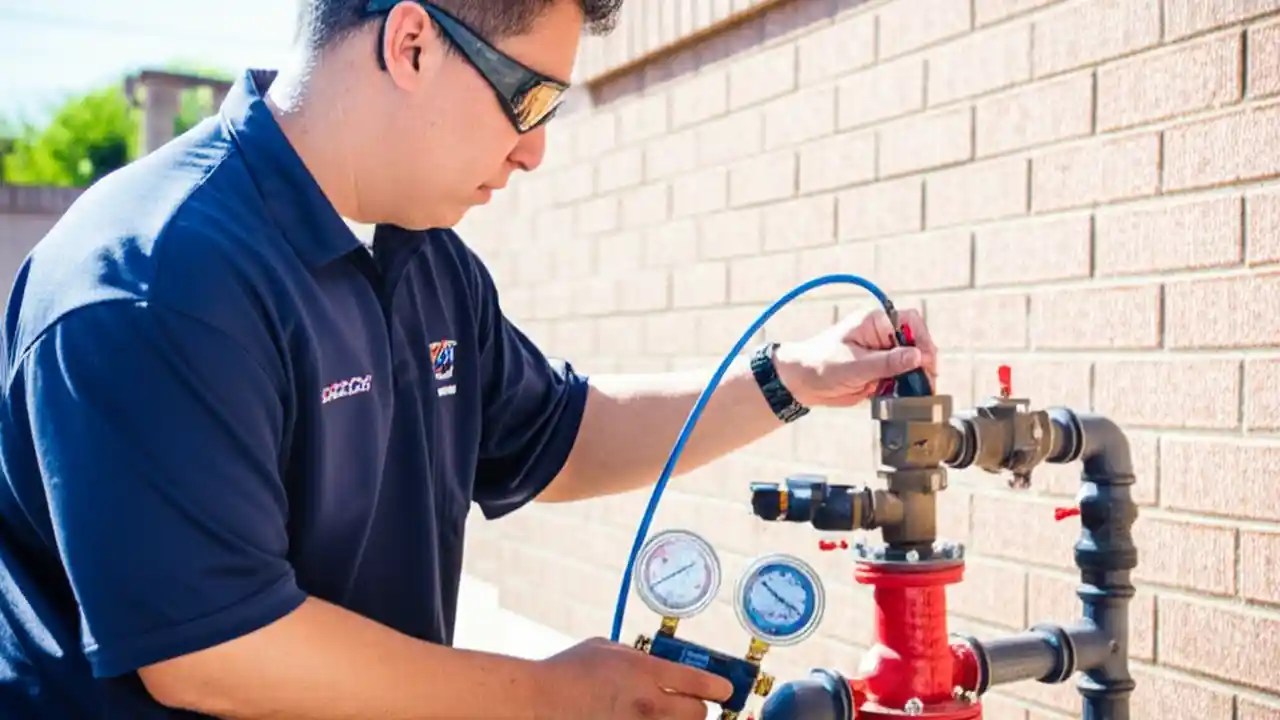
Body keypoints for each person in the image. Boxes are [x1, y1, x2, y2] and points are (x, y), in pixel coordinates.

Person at [0, 1, 938, 718]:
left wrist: (791, 379)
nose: (533, 150)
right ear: (410, 42)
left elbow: (567, 436)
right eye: (529, 99)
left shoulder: (420, 257)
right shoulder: (154, 280)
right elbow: (214, 651)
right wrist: (543, 695)